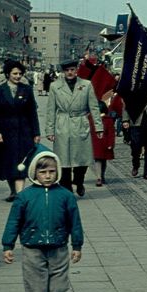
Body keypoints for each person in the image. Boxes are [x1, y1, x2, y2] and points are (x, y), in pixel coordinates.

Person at [1, 144, 83, 292]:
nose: (47, 176)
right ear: (34, 172)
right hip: (32, 249)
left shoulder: (66, 196)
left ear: (57, 171)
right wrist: (8, 245)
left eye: (51, 171)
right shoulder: (24, 196)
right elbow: (13, 221)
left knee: (59, 288)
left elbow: (74, 222)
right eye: (43, 172)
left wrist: (77, 245)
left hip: (58, 248)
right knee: (36, 291)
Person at [45, 59, 103, 197]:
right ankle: (67, 188)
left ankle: (79, 181)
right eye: (67, 70)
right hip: (63, 124)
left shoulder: (86, 85)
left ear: (76, 70)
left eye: (72, 70)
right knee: (64, 159)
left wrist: (98, 127)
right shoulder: (55, 86)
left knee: (82, 158)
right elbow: (50, 109)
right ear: (63, 71)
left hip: (80, 123)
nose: (70, 73)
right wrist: (50, 130)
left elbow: (94, 107)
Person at [0, 59, 41, 201]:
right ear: (7, 74)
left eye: (20, 73)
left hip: (23, 132)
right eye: (15, 73)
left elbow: (32, 113)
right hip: (5, 133)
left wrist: (36, 133)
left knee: (21, 162)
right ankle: (13, 190)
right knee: (8, 162)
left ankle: (20, 194)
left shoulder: (27, 89)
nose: (18, 76)